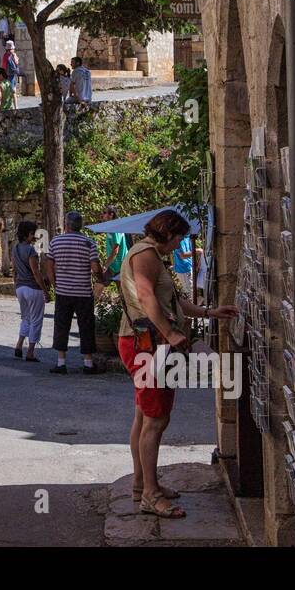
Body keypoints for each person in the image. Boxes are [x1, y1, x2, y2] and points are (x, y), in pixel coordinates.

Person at [117, 210, 236, 518]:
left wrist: (209, 313)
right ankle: (150, 495)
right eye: (181, 236)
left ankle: (142, 484)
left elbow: (172, 302)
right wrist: (170, 333)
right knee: (156, 419)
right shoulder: (146, 255)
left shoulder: (150, 254)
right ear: (169, 233)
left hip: (147, 342)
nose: (181, 243)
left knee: (145, 414)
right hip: (150, 343)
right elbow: (146, 297)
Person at [45, 211, 105, 375]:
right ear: (80, 225)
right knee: (86, 326)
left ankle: (61, 362)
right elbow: (94, 267)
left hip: (63, 291)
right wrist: (101, 277)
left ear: (66, 224)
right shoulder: (89, 243)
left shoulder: (55, 242)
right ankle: (88, 363)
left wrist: (55, 284)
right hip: (83, 292)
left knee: (61, 325)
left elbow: (49, 266)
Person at [12, 221, 48, 361]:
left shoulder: (15, 248)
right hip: (33, 288)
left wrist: (16, 284)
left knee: (25, 317)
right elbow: (36, 272)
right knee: (36, 320)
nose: (34, 236)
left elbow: (14, 269)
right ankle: (30, 351)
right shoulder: (31, 250)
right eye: (32, 233)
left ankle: (19, 345)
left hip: (20, 287)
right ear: (27, 234)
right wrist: (45, 290)